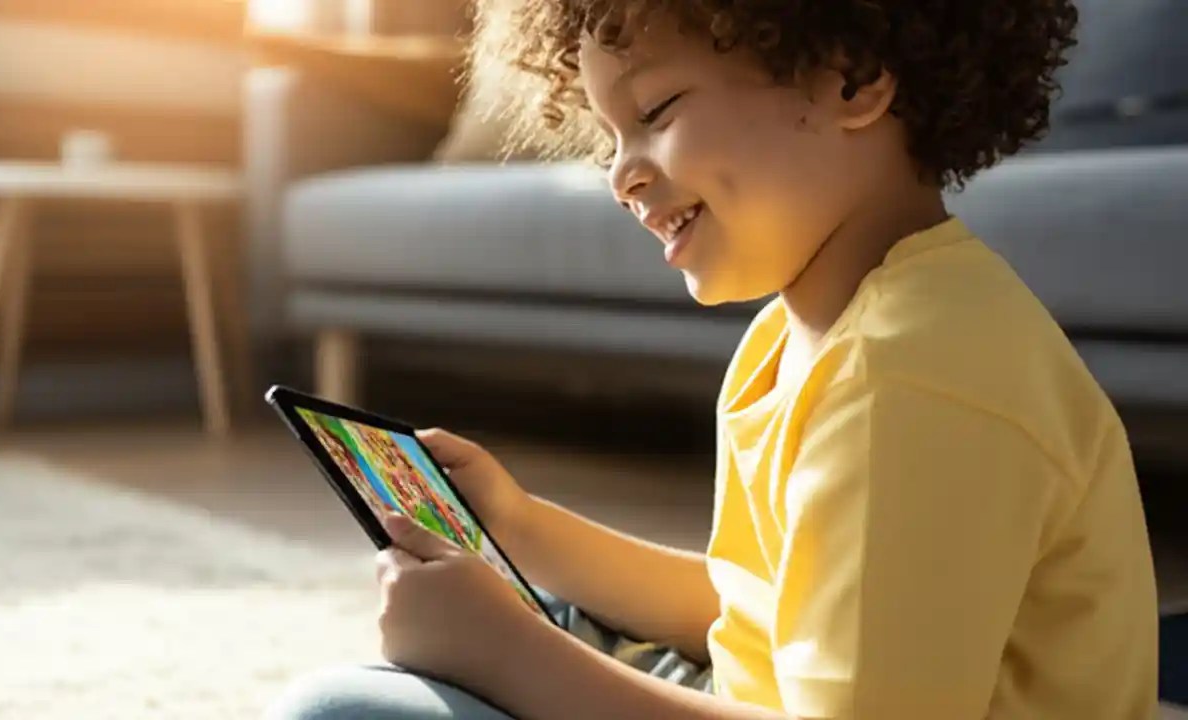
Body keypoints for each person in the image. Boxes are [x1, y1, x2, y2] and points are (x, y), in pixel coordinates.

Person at [266, 0, 1160, 717]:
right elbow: (758, 611)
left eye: (655, 113)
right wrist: (523, 528)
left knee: (344, 711)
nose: (622, 174)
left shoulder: (916, 376)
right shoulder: (801, 335)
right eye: (611, 136)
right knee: (545, 619)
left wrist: (509, 654)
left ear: (849, 78)